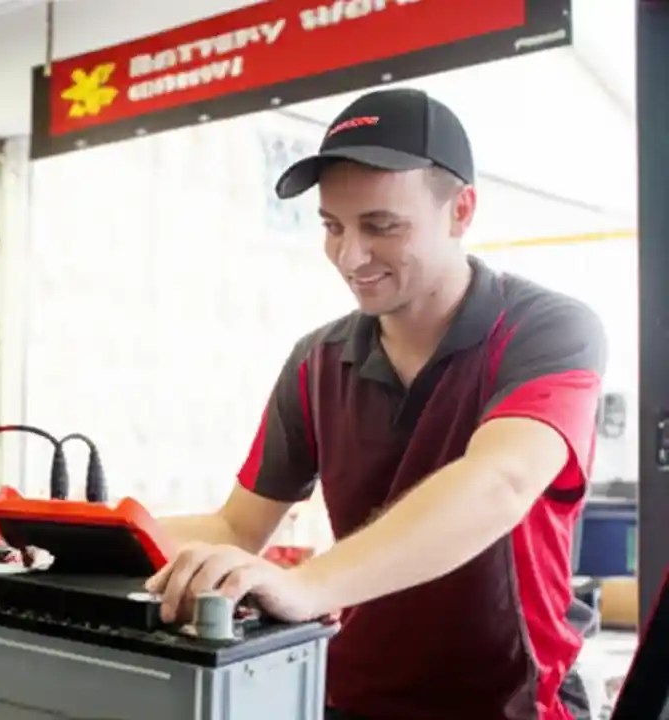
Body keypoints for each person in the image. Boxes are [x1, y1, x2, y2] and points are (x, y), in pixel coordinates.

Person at [148, 88, 606, 720]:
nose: (349, 256)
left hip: (511, 703)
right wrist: (81, 540)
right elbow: (237, 528)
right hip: (350, 699)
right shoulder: (316, 360)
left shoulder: (547, 331)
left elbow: (499, 482)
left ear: (461, 210)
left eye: (381, 227)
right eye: (333, 227)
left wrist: (306, 583)